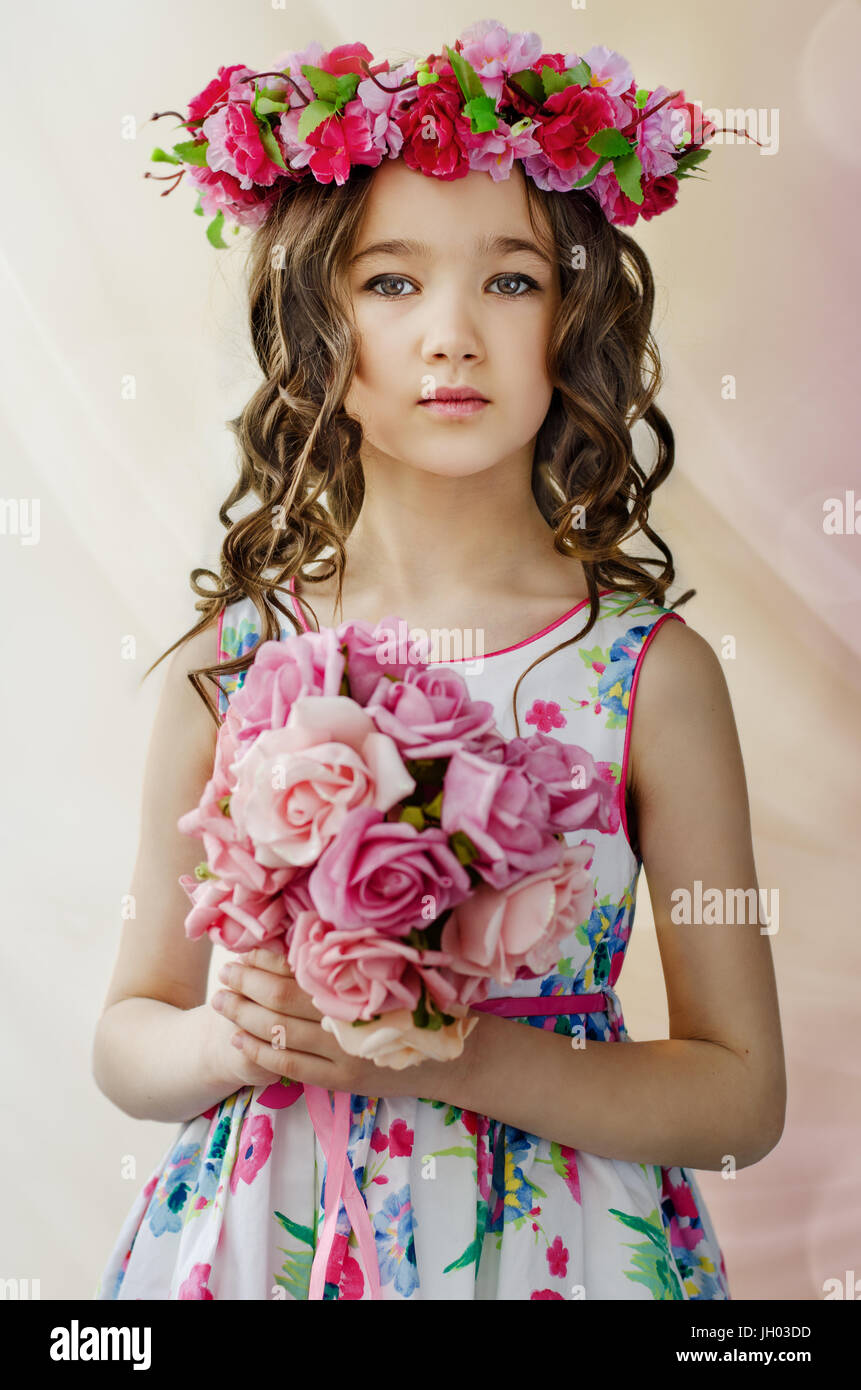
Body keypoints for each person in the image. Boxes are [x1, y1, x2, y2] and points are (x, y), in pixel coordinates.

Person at [92, 22, 785, 1300]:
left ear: (576, 316)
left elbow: (742, 1096)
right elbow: (127, 1036)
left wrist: (451, 1057)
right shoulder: (236, 659)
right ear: (317, 323)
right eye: (391, 283)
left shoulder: (650, 672)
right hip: (272, 1240)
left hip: (560, 1247)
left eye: (511, 280)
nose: (453, 335)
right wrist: (223, 1037)